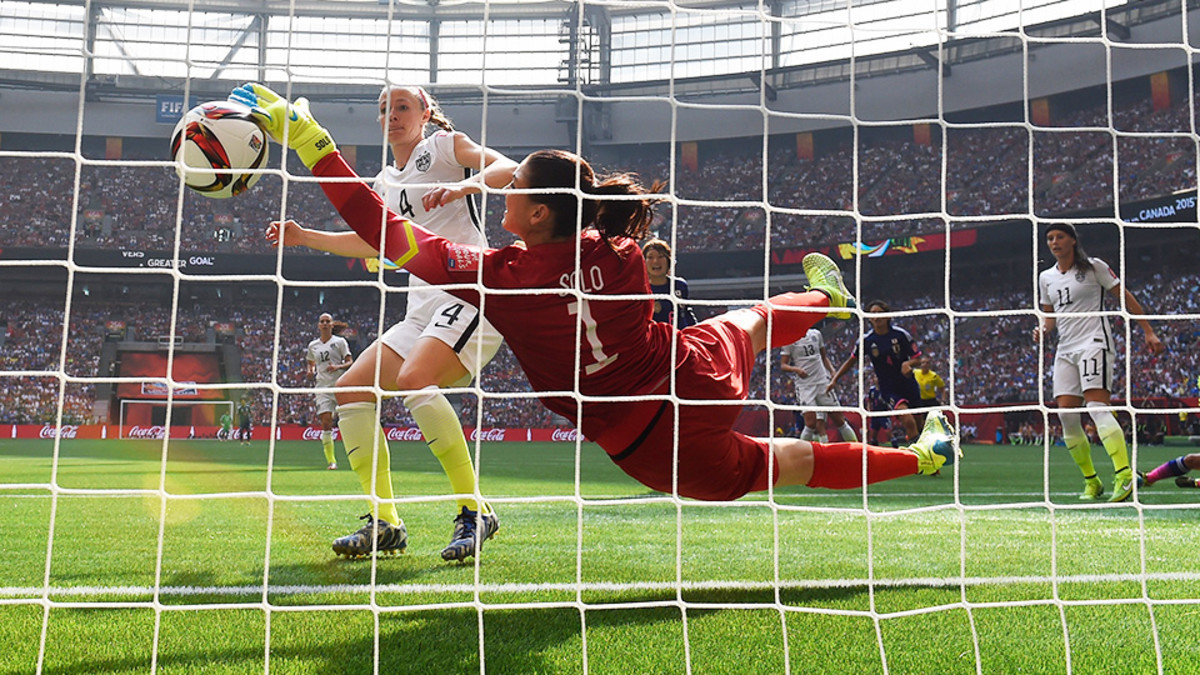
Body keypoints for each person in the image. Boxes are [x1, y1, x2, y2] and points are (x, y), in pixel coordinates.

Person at [242, 84, 960, 533]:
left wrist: (311, 145)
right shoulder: (615, 250)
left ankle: (919, 458)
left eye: (513, 182)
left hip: (647, 446)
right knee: (750, 322)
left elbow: (383, 231)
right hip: (690, 373)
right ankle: (826, 299)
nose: (503, 186)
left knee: (790, 463)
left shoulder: (500, 278)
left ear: (538, 211)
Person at [241, 84, 517, 561]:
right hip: (422, 308)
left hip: (472, 295)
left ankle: (476, 512)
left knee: (414, 380)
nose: (393, 115)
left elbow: (509, 168)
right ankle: (386, 522)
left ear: (426, 113)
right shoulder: (385, 182)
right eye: (386, 109)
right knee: (351, 391)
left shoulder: (446, 147)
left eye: (403, 106)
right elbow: (375, 243)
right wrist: (303, 236)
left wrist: (464, 185)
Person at [1034, 223, 1164, 502]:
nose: (1054, 242)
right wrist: (1042, 329)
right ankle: (1092, 482)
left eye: (1059, 237)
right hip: (1065, 349)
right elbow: (1049, 318)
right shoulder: (1046, 277)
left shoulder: (1094, 267)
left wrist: (1147, 329)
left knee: (1096, 408)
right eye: (1049, 238)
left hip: (1094, 342)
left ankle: (1125, 475)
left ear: (1072, 241)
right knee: (1066, 417)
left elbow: (1124, 296)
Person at [828, 301, 922, 444]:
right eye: (873, 314)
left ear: (888, 316)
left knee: (919, 423)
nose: (876, 317)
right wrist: (835, 379)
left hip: (908, 384)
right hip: (888, 388)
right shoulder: (866, 341)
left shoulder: (901, 335)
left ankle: (925, 455)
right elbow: (851, 361)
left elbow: (917, 359)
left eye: (880, 313)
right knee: (907, 419)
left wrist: (908, 363)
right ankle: (918, 459)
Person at [780, 325, 858, 443]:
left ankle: (856, 448)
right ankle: (804, 454)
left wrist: (832, 371)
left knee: (839, 420)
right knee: (811, 423)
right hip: (805, 386)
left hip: (822, 382)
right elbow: (783, 365)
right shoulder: (789, 340)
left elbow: (824, 357)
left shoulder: (816, 334)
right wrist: (796, 370)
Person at [306, 312, 353, 470]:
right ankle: (331, 461)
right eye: (322, 321)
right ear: (319, 325)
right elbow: (311, 361)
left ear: (332, 324)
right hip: (322, 387)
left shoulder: (340, 342)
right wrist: (310, 370)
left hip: (340, 385)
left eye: (327, 321)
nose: (325, 324)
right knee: (326, 422)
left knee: (348, 421)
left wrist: (337, 367)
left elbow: (350, 362)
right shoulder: (313, 345)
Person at [642, 238, 697, 328]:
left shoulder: (679, 285)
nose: (656, 261)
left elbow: (686, 313)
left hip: (679, 338)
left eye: (660, 256)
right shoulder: (640, 289)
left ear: (669, 260)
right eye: (650, 257)